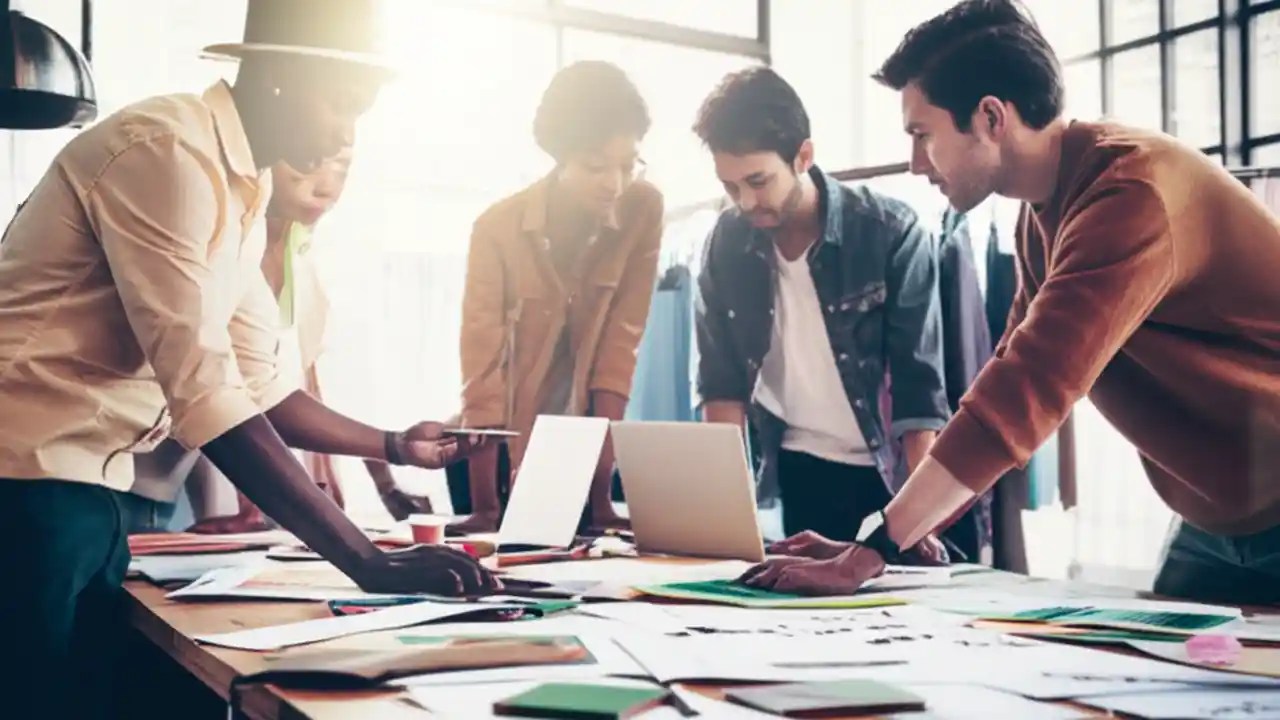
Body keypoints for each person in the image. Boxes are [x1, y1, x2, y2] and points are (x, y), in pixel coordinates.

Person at [0, 2, 495, 716]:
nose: (343, 133)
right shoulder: (167, 151)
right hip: (24, 482)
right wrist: (364, 558)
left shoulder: (245, 183)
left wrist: (391, 444)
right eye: (341, 104)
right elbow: (204, 387)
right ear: (279, 77)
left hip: (89, 490)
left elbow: (256, 379)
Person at [742, 0, 1280, 605]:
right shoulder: (1043, 216)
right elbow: (1004, 374)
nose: (917, 163)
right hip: (1218, 519)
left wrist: (877, 544)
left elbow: (1031, 384)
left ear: (991, 117)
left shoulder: (1131, 194)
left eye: (923, 135)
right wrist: (906, 524)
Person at [692, 67, 957, 552]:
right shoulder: (725, 244)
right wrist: (724, 515)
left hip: (892, 474)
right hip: (801, 466)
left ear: (804, 156)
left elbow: (920, 391)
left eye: (758, 180)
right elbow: (721, 386)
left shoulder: (889, 232)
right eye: (731, 187)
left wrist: (921, 518)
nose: (746, 201)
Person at [451, 60, 664, 534]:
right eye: (596, 166)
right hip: (495, 459)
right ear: (559, 157)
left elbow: (618, 351)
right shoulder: (496, 229)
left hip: (580, 458)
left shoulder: (641, 210)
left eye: (628, 166)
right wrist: (485, 505)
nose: (615, 183)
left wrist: (603, 498)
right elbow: (481, 368)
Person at [185, 149, 439, 533]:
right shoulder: (215, 249)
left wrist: (385, 480)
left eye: (342, 168)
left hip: (261, 489)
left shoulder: (300, 260)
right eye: (308, 162)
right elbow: (220, 389)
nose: (327, 188)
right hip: (187, 477)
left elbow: (304, 384)